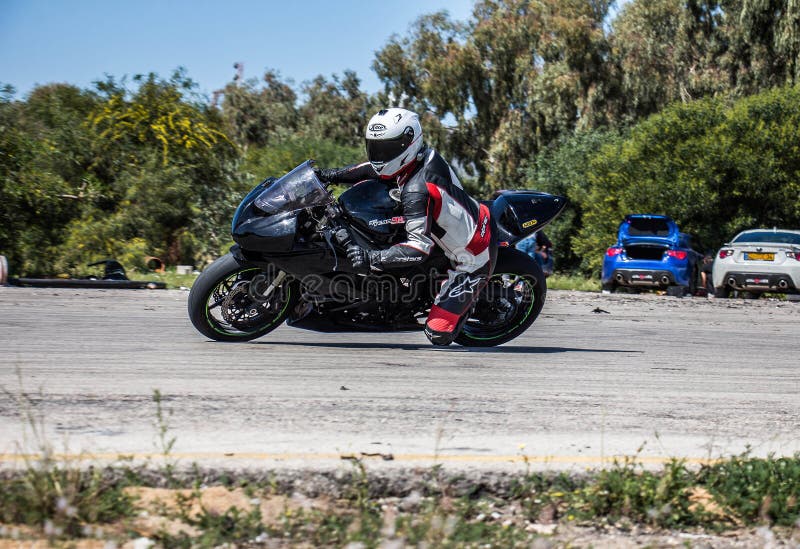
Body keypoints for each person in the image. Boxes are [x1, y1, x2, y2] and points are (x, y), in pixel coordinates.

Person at [316, 107, 496, 346]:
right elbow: (372, 169)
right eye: (375, 147)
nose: (380, 155)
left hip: (473, 254)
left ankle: (464, 303)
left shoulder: (416, 190)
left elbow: (418, 248)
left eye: (387, 149)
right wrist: (330, 175)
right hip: (451, 229)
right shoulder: (420, 157)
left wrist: (371, 258)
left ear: (409, 142)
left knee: (438, 334)